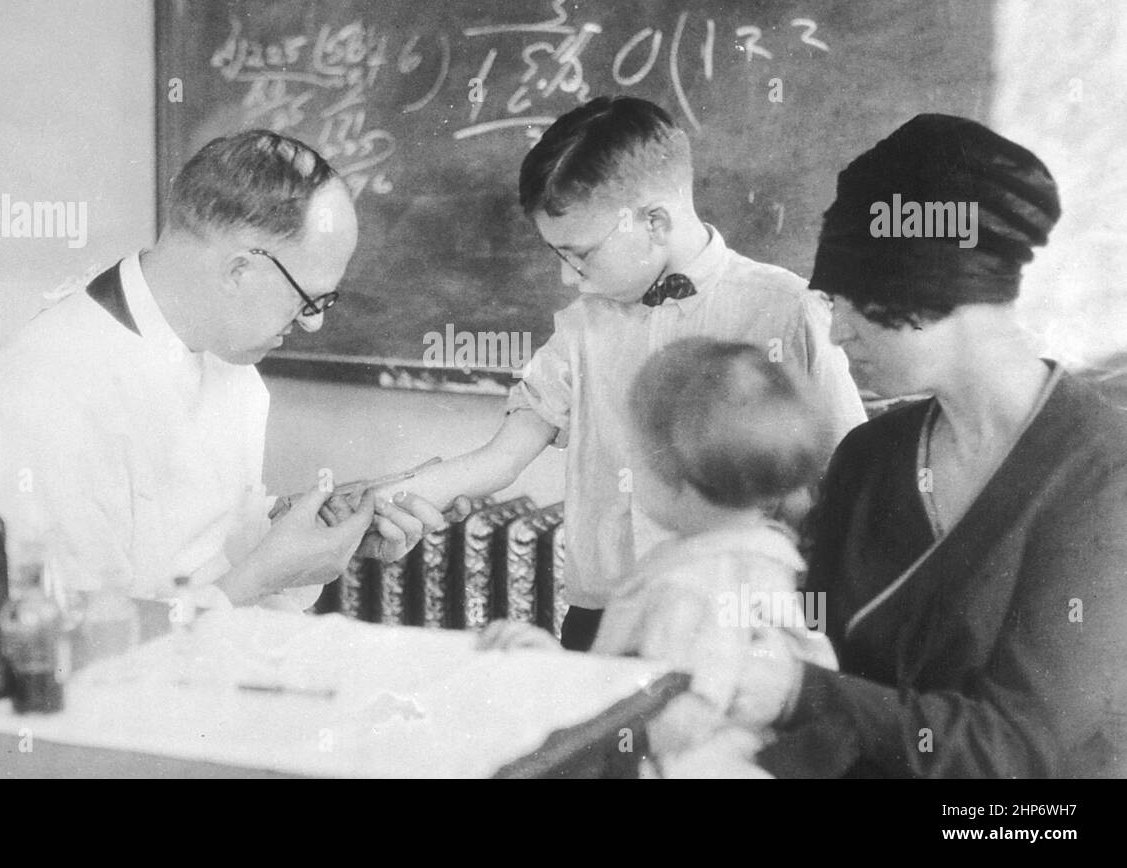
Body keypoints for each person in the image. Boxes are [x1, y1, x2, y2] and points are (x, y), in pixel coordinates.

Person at [342, 96, 865, 649]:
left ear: (655, 221)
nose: (570, 280)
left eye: (580, 255)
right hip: (603, 616)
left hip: (731, 617)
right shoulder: (581, 326)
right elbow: (500, 458)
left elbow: (848, 473)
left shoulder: (785, 308)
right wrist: (388, 498)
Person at [725, 113, 1127, 778]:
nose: (837, 336)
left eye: (850, 303)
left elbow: (1020, 747)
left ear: (930, 289)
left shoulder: (1104, 473)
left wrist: (798, 690)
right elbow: (820, 651)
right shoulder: (869, 458)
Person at [0, 130, 446, 610]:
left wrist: (312, 537)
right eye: (309, 299)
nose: (314, 324)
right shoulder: (50, 395)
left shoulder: (224, 353)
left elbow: (202, 540)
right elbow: (67, 639)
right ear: (239, 271)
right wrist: (256, 581)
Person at [482, 337, 839, 778]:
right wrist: (565, 670)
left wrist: (574, 738)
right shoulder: (759, 553)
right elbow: (636, 680)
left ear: (676, 476)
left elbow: (680, 713)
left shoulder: (694, 586)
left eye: (637, 451)